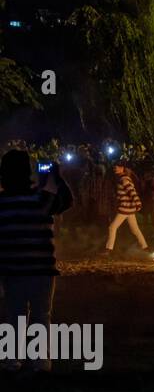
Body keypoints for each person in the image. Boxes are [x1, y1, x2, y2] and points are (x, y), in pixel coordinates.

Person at [0, 151, 73, 373]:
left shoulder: (2, 203)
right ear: (28, 172)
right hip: (42, 270)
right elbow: (67, 201)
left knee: (15, 315)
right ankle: (41, 362)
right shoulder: (41, 200)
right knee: (42, 315)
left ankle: (12, 361)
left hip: (13, 270)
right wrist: (56, 178)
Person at [104, 163, 149, 255]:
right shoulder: (124, 178)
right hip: (129, 208)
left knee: (112, 227)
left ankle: (108, 250)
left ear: (122, 168)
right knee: (135, 229)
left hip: (125, 208)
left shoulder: (124, 179)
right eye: (114, 167)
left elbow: (132, 192)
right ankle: (145, 247)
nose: (115, 168)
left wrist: (138, 203)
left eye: (117, 167)